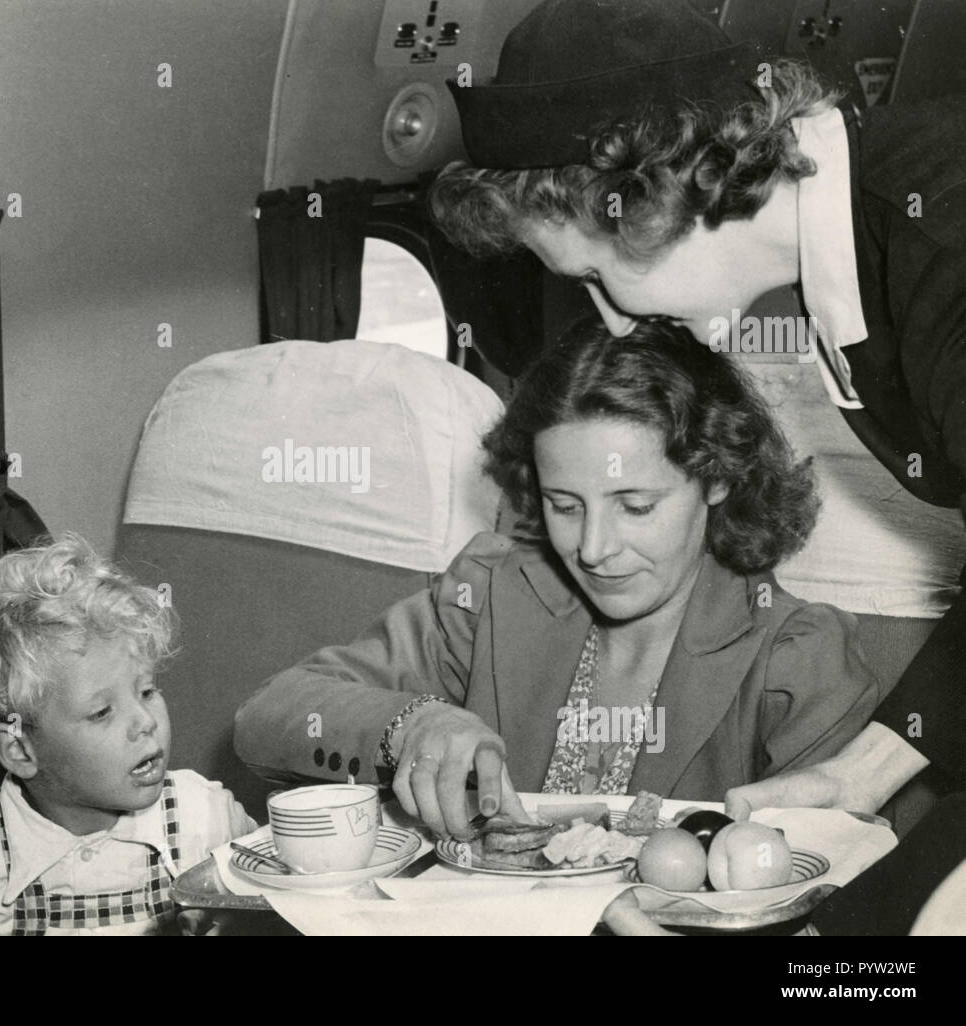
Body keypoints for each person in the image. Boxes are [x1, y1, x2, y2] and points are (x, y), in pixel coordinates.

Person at [429, 0, 965, 933]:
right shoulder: (875, 250)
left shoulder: (941, 236)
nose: (613, 325)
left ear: (654, 195)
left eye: (599, 277)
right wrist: (863, 773)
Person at [235, 317, 880, 839]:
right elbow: (267, 715)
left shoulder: (798, 659)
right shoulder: (490, 595)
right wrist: (416, 724)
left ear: (716, 479)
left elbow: (839, 929)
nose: (593, 549)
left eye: (635, 506)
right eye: (564, 506)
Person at [0, 534, 255, 936]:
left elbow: (284, 907)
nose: (145, 721)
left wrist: (233, 923)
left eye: (147, 691)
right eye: (102, 712)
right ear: (19, 749)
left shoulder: (205, 815)